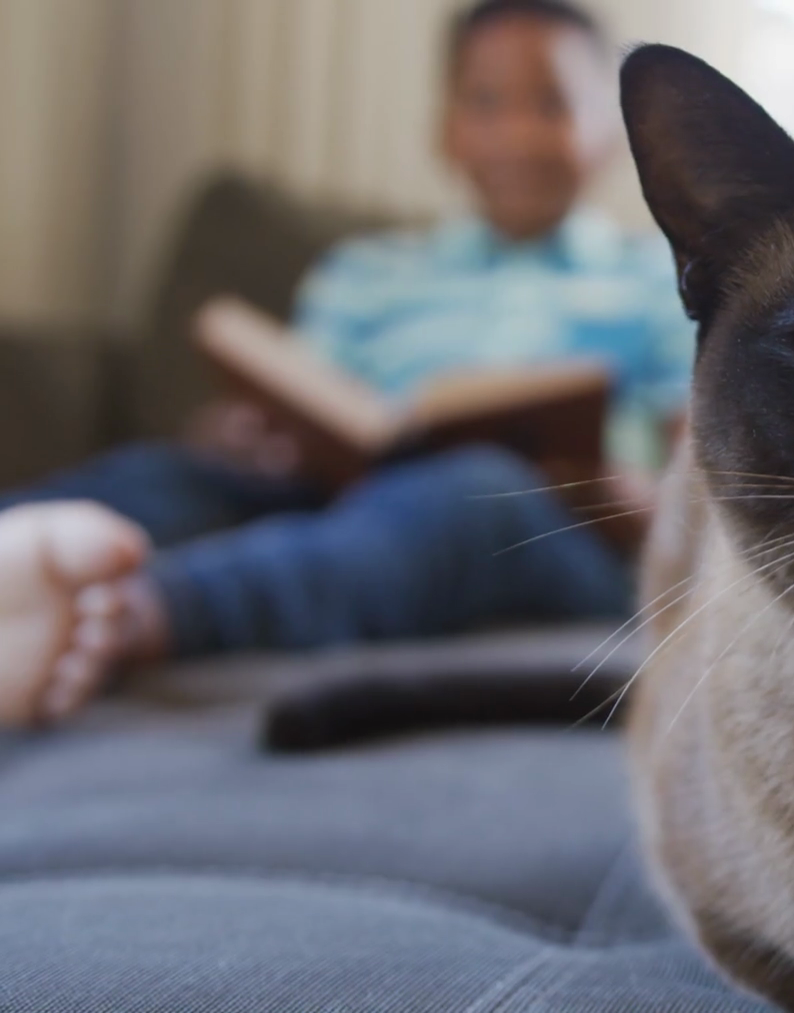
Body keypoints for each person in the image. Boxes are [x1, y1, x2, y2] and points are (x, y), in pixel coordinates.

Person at [0, 0, 692, 727]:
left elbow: (699, 497)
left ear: (613, 130)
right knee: (171, 474)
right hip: (350, 496)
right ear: (446, 130)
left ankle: (144, 614)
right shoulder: (366, 273)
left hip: (555, 536)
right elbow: (310, 399)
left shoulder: (659, 281)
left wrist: (618, 493)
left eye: (551, 103)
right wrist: (249, 436)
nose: (516, 134)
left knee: (475, 487)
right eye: (486, 103)